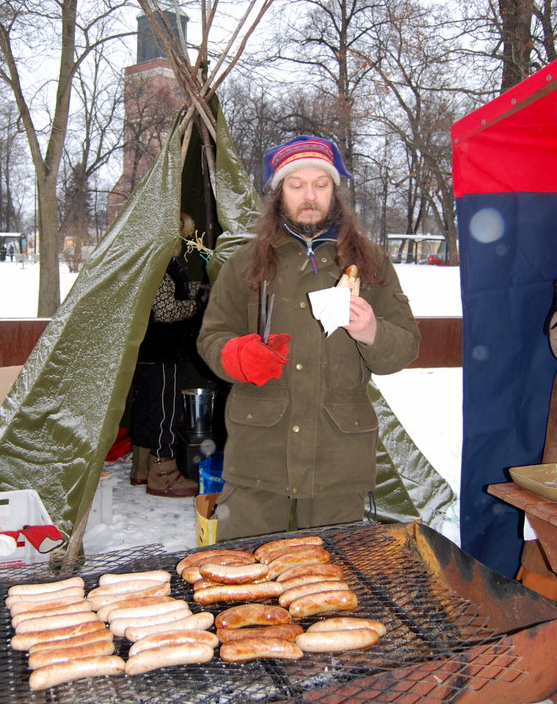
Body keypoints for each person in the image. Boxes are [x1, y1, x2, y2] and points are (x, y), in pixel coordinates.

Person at [196, 135, 421, 540]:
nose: (310, 195)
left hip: (337, 456)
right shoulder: (245, 262)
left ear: (335, 191)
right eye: (296, 184)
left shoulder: (371, 262)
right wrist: (236, 356)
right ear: (279, 193)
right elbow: (211, 336)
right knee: (245, 567)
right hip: (258, 455)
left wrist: (372, 332)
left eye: (321, 183)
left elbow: (404, 347)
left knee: (328, 570)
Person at [130, 213, 206, 498]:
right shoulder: (162, 265)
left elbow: (172, 293)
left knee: (146, 410)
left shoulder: (155, 261)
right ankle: (163, 474)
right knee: (165, 413)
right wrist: (197, 307)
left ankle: (141, 467)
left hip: (147, 350)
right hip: (163, 352)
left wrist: (198, 289)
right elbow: (165, 310)